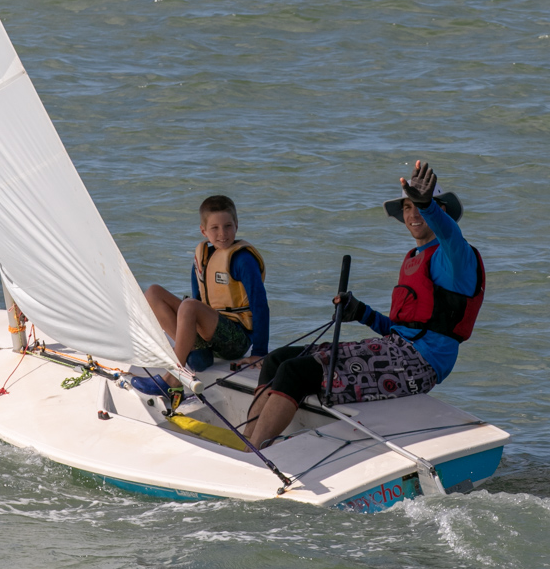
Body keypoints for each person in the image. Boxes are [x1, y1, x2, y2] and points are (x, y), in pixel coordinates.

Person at [243, 161, 485, 448]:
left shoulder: (458, 257)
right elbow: (402, 330)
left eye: (418, 206)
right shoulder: (414, 257)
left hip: (420, 365)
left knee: (296, 371)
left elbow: (449, 234)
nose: (412, 213)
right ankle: (247, 443)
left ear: (440, 211)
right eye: (407, 207)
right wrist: (361, 312)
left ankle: (254, 455)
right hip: (398, 351)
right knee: (277, 359)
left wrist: (428, 204)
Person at [133, 196, 270, 402]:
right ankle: (193, 353)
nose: (222, 233)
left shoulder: (243, 260)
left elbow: (260, 305)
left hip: (236, 339)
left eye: (228, 226)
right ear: (203, 231)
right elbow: (199, 300)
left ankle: (174, 378)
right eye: (214, 228)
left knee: (188, 305)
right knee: (152, 292)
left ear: (237, 226)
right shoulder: (203, 257)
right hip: (209, 339)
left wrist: (259, 352)